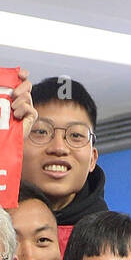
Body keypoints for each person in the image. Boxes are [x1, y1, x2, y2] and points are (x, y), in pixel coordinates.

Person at [23, 77, 107, 230]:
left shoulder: (115, 239)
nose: (59, 148)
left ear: (92, 159)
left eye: (75, 135)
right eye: (41, 132)